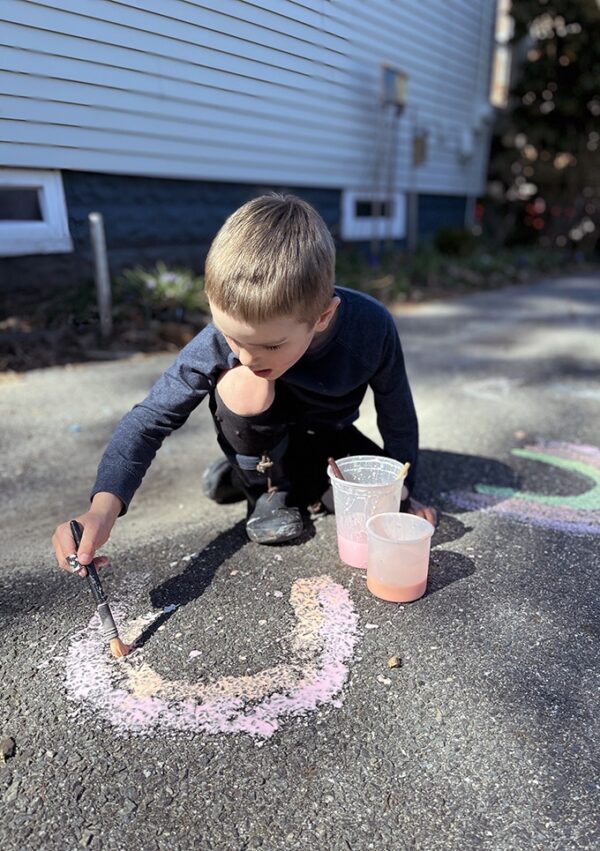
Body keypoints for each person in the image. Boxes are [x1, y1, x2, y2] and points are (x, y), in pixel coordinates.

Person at [52, 194, 436, 575]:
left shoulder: (371, 328)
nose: (250, 355)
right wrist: (102, 510)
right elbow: (150, 418)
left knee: (377, 503)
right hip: (262, 434)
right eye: (234, 337)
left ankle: (242, 475)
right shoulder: (223, 342)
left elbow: (397, 412)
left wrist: (408, 488)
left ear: (323, 317)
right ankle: (265, 489)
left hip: (329, 437)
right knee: (244, 381)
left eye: (271, 344)